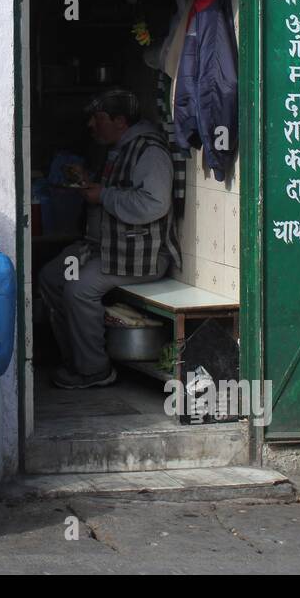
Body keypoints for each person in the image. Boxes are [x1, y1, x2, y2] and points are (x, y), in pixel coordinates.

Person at [38, 88, 179, 389]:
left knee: (78, 288)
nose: (91, 125)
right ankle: (75, 359)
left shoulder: (149, 150)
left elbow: (155, 204)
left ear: (120, 121)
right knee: (53, 277)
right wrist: (91, 185)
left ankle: (94, 370)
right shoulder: (121, 147)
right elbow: (118, 192)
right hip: (105, 250)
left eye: (98, 118)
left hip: (140, 255)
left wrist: (103, 195)